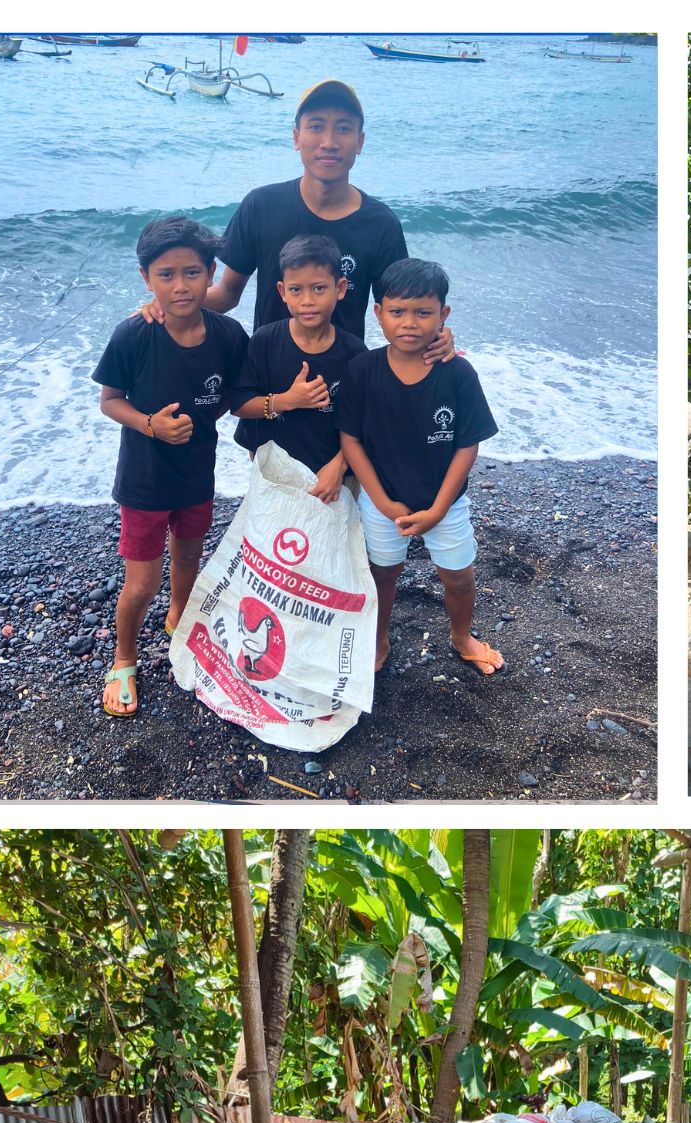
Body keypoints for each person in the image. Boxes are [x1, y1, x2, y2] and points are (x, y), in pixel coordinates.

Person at [136, 80, 453, 363]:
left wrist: (436, 335)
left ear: (360, 141)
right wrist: (165, 310)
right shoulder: (261, 206)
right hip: (268, 377)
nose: (328, 141)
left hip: (346, 383)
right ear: (296, 137)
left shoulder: (381, 223)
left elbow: (401, 310)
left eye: (343, 128)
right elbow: (228, 294)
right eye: (316, 127)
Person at [91, 216, 249, 718]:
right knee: (140, 583)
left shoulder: (228, 334)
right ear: (146, 279)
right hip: (144, 480)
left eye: (191, 273)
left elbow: (231, 394)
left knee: (187, 556)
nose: (180, 286)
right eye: (165, 275)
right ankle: (123, 659)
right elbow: (109, 401)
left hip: (197, 474)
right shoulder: (135, 333)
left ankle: (180, 614)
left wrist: (206, 417)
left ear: (211, 273)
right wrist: (149, 425)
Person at [336, 258, 503, 677]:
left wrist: (439, 509)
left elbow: (468, 445)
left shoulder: (458, 372)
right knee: (383, 574)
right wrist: (383, 502)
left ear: (443, 316)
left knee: (459, 578)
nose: (408, 323)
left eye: (423, 312)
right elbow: (350, 441)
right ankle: (377, 638)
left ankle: (461, 636)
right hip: (382, 504)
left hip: (443, 504)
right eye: (397, 312)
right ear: (378, 314)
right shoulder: (362, 371)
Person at [229, 234, 369, 504]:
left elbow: (363, 424)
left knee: (336, 542)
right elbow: (239, 404)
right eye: (296, 290)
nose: (307, 300)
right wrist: (287, 401)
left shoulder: (355, 354)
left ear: (340, 288)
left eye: (318, 288)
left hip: (335, 475)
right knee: (273, 543)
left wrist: (338, 468)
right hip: (277, 474)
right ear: (282, 292)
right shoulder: (265, 341)